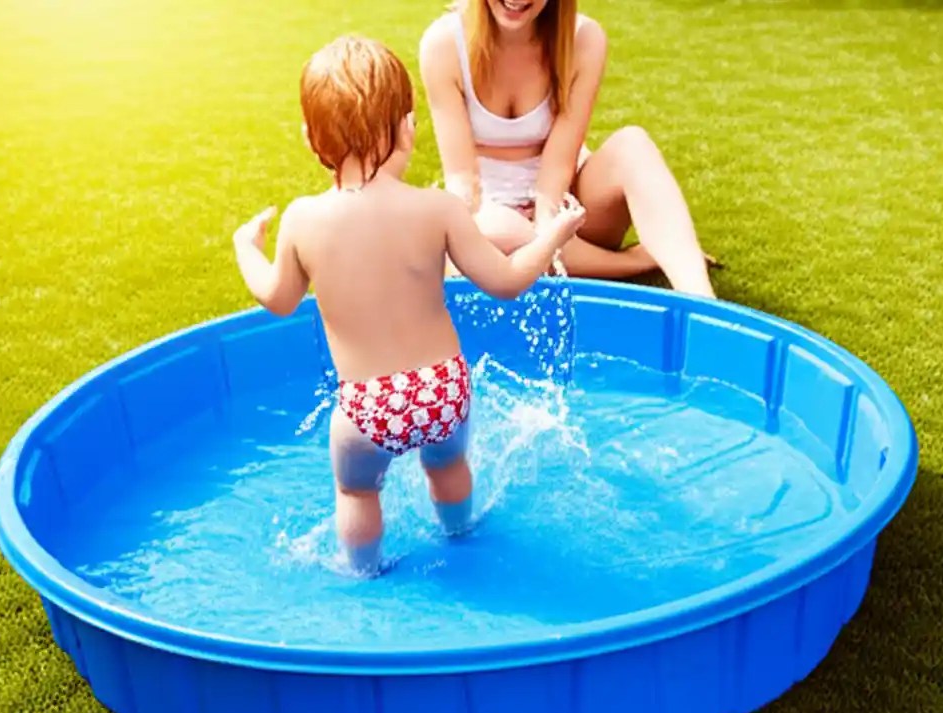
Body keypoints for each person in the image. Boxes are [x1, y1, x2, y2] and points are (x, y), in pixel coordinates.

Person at [231, 35, 587, 576]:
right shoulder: (437, 208)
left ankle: (362, 571)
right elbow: (509, 280)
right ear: (406, 127)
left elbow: (279, 300)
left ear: (310, 138)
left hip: (369, 406)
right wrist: (554, 233)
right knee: (448, 466)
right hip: (443, 389)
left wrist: (245, 249)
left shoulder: (303, 221)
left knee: (356, 493)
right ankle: (460, 529)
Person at [419, 0, 717, 297]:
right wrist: (464, 240)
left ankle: (703, 302)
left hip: (566, 210)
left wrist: (550, 228)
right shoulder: (443, 45)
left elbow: (558, 167)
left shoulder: (584, 39)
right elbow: (462, 178)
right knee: (498, 229)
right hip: (490, 218)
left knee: (633, 144)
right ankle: (634, 261)